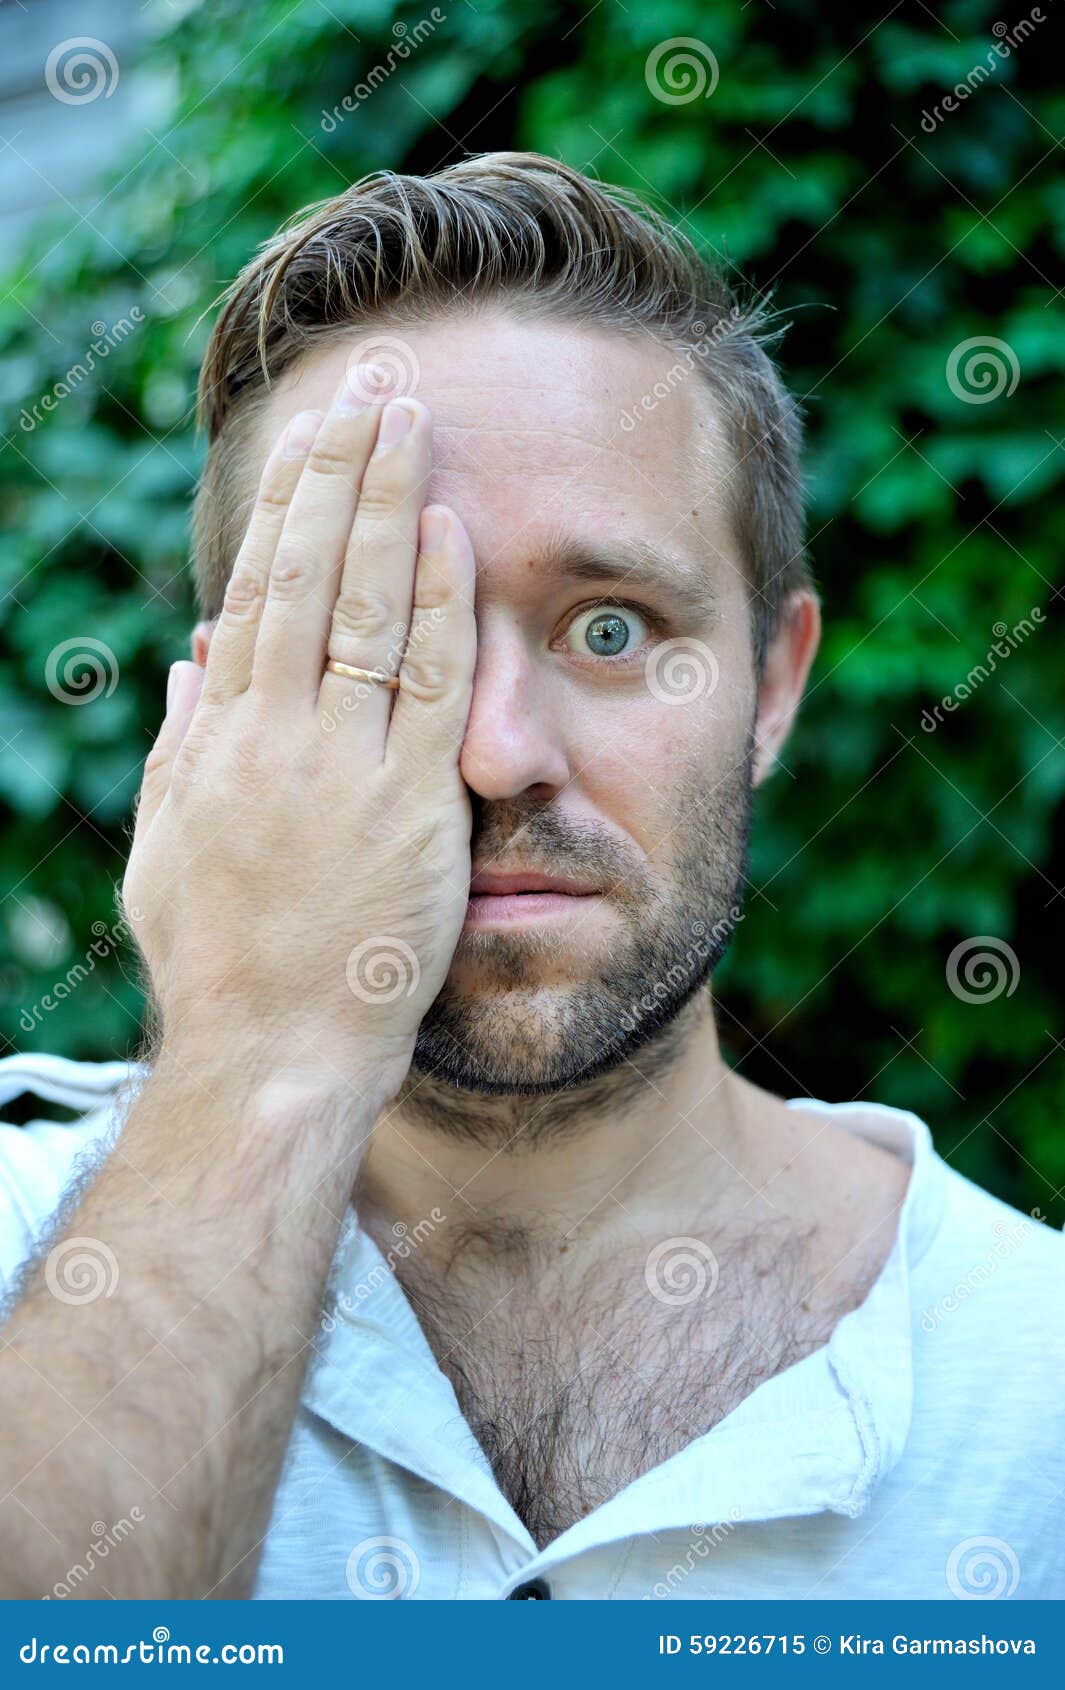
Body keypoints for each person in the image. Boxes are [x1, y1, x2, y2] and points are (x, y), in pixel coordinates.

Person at [0, 154, 1061, 1603]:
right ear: (224, 721)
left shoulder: (1037, 1388)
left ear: (770, 686)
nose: (499, 752)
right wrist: (261, 1054)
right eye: (378, 638)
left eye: (610, 629)